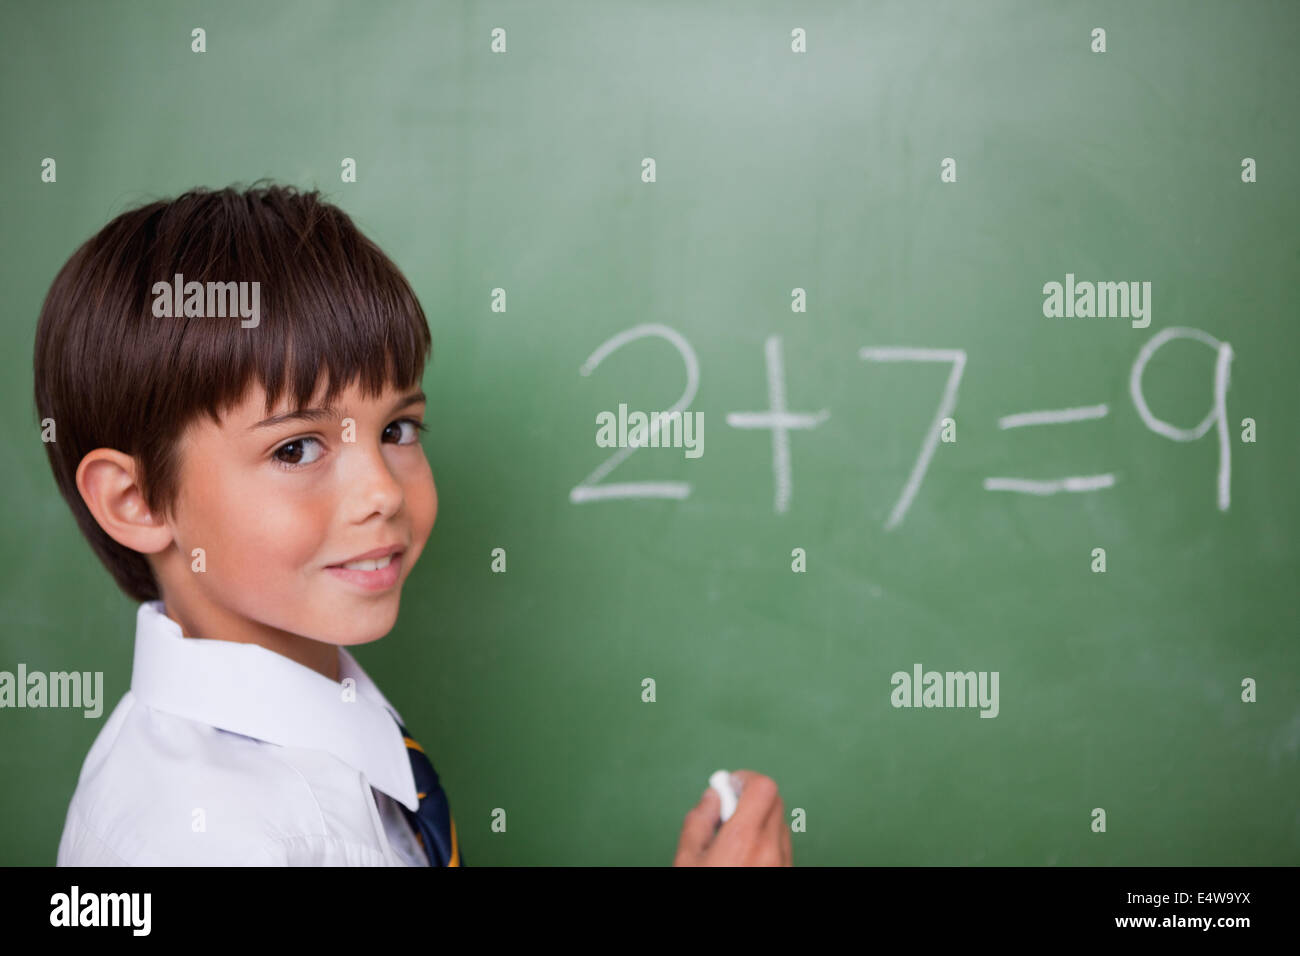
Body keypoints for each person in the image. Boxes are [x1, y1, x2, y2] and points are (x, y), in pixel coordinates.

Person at [34, 183, 791, 866]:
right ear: (136, 502)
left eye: (398, 429)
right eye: (297, 447)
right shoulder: (212, 839)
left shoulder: (318, 722)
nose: (381, 493)